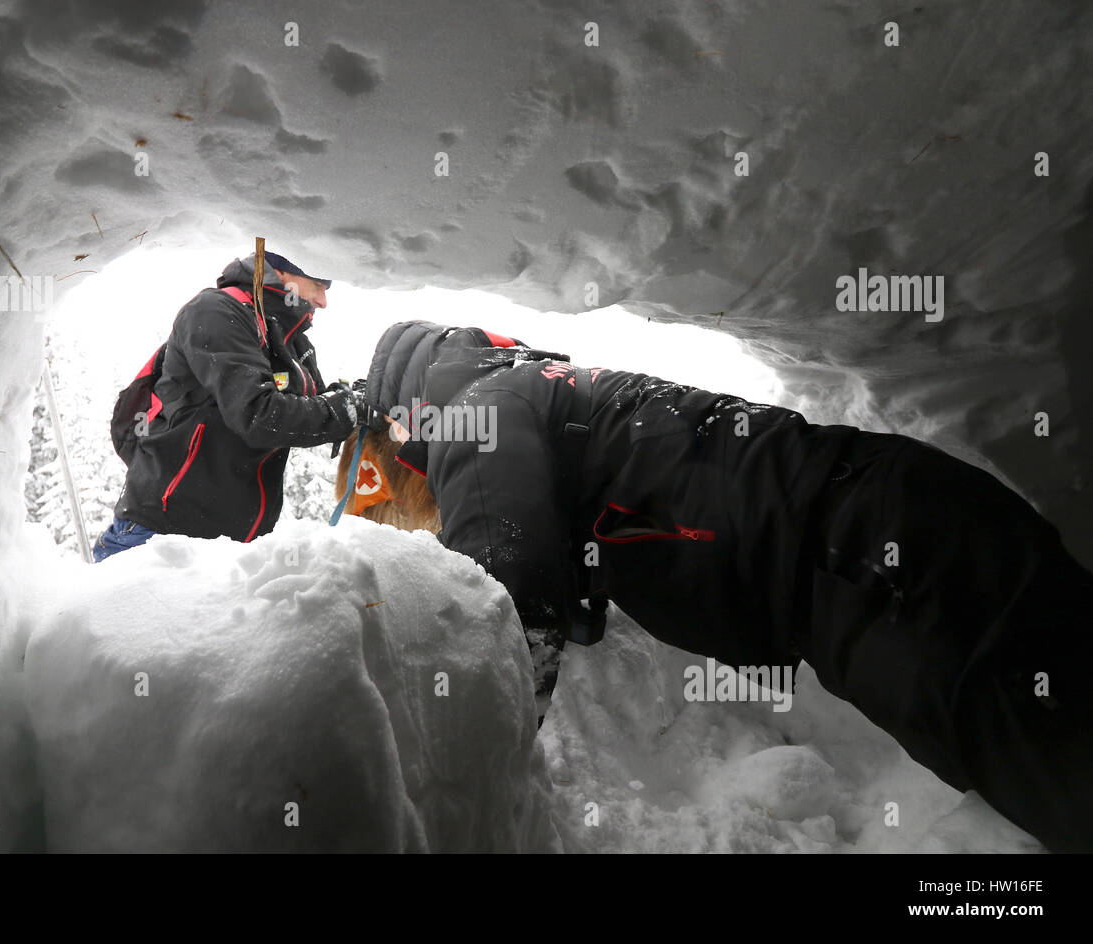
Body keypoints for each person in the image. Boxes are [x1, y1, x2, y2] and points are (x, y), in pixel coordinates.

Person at [344, 319, 1093, 853]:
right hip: (888, 534)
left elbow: (510, 599)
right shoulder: (540, 392)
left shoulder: (478, 409)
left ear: (400, 427)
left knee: (1061, 771)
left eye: (391, 476)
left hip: (875, 566)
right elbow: (581, 559)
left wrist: (460, 784)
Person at [93, 251, 375, 560]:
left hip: (231, 545)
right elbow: (258, 415)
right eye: (319, 285)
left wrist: (356, 400)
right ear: (282, 272)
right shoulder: (217, 311)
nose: (323, 301)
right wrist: (344, 410)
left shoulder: (292, 341)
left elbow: (309, 410)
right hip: (163, 536)